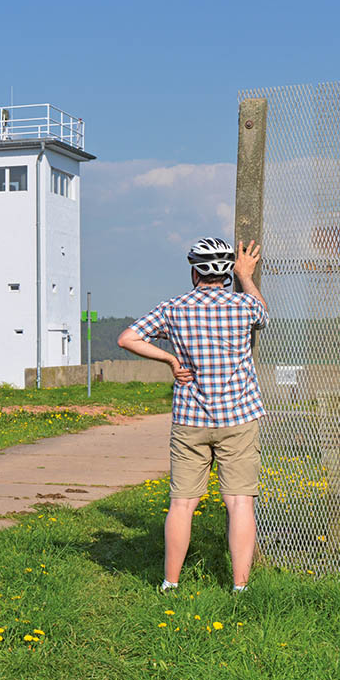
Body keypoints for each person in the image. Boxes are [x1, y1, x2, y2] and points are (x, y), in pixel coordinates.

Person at [117, 238, 267, 593]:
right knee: (239, 501)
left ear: (194, 270)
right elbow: (262, 313)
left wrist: (171, 360)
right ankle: (240, 587)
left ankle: (170, 582)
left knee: (182, 504)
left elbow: (127, 339)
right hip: (238, 417)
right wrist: (246, 276)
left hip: (190, 418)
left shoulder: (173, 308)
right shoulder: (242, 306)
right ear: (227, 271)